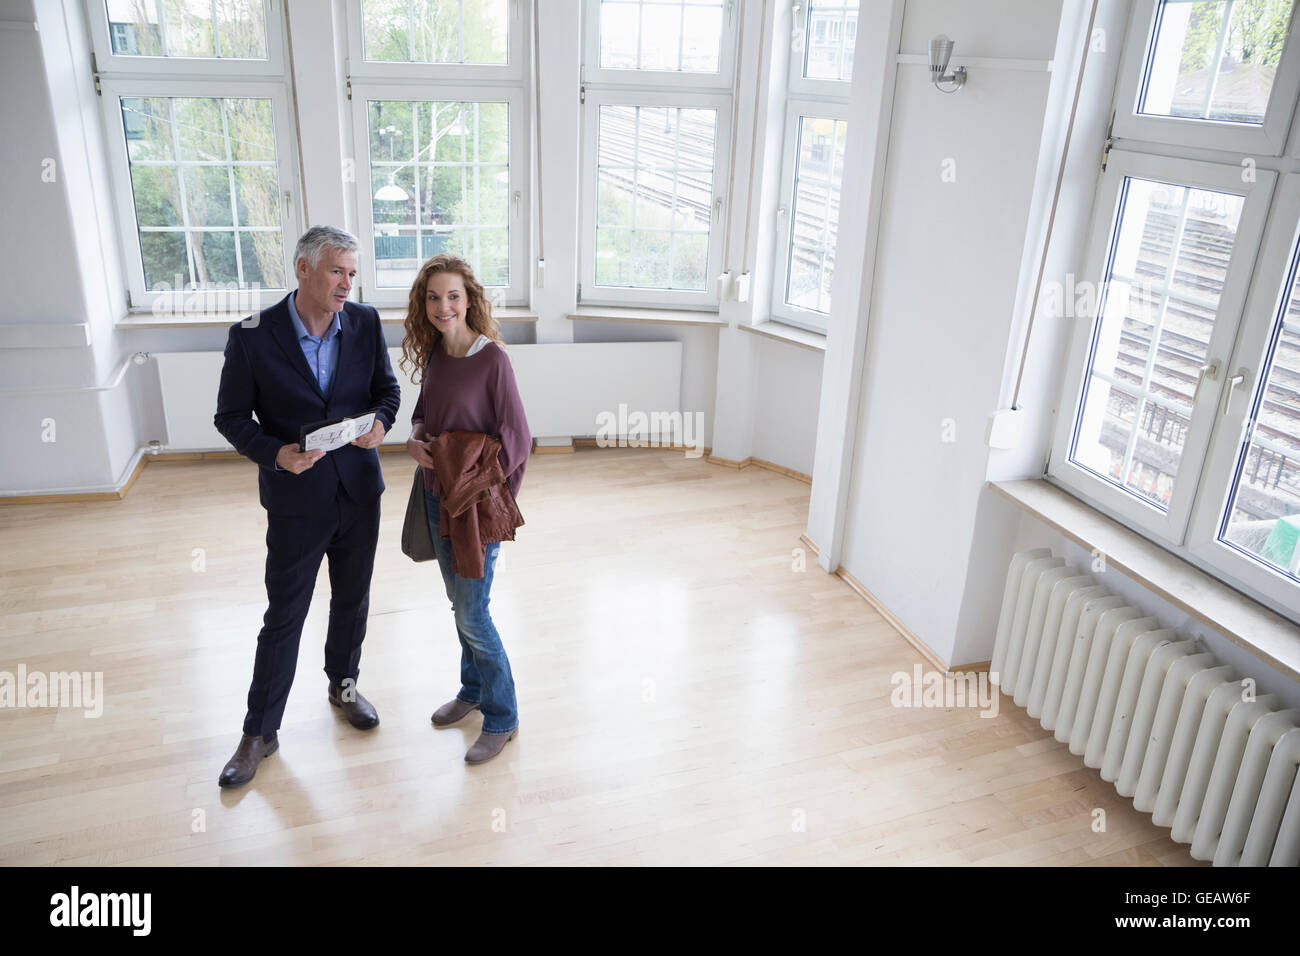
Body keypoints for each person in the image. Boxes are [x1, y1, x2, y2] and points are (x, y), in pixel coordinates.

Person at [213, 225, 402, 788]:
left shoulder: (365, 323)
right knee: (284, 613)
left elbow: (385, 392)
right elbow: (230, 418)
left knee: (353, 598)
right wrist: (276, 455)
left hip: (359, 492)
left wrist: (381, 424)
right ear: (303, 269)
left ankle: (343, 683)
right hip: (297, 501)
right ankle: (259, 731)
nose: (347, 283)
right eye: (336, 271)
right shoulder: (251, 336)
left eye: (351, 272)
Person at [402, 254, 531, 764]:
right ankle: (472, 689)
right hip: (437, 497)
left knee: (474, 614)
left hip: (476, 508)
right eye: (433, 297)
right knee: (460, 606)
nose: (442, 306)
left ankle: (503, 716)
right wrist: (414, 442)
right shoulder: (436, 354)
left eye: (452, 295)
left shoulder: (492, 359)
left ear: (470, 299)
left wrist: (493, 505)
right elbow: (421, 417)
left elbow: (517, 441)